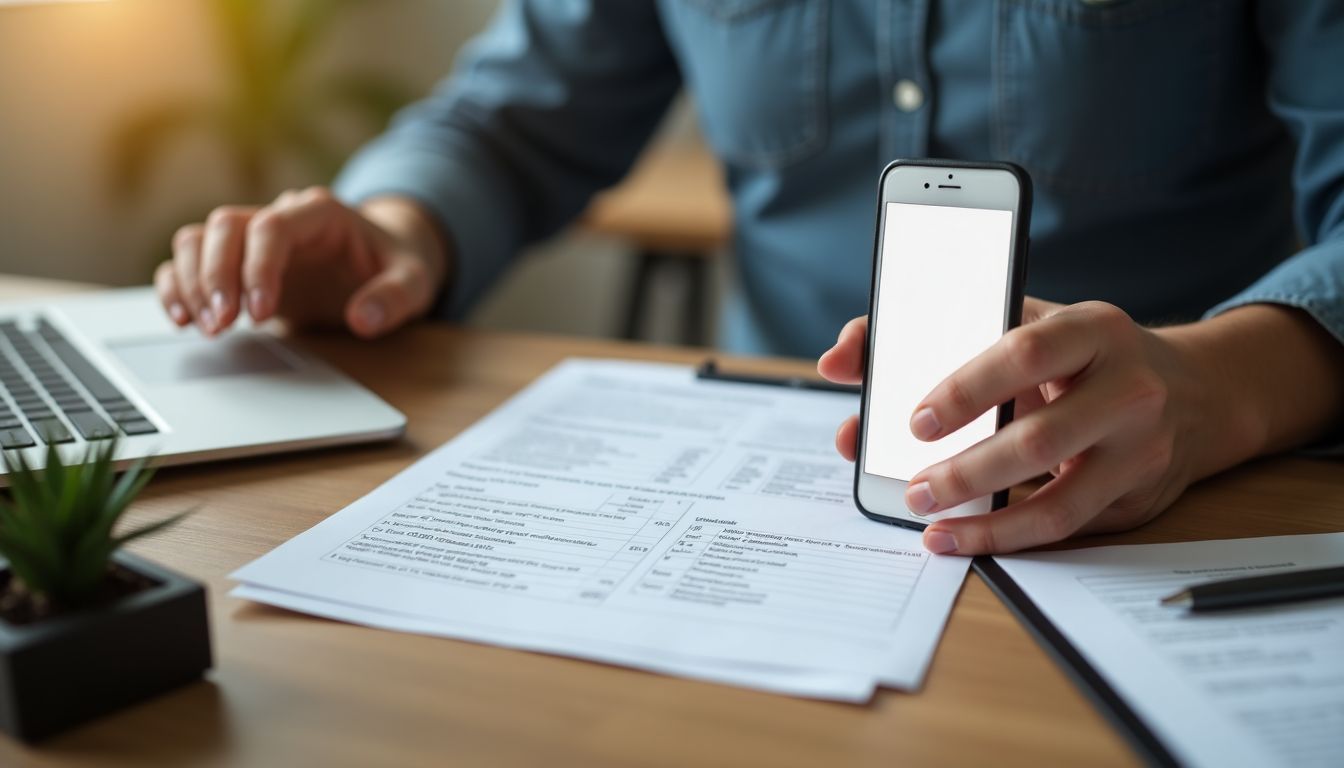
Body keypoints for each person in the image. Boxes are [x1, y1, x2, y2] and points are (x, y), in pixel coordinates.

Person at [153, 2, 1344, 555]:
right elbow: (508, 121)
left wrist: (1218, 389)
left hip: (1184, 513)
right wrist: (393, 230)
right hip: (774, 502)